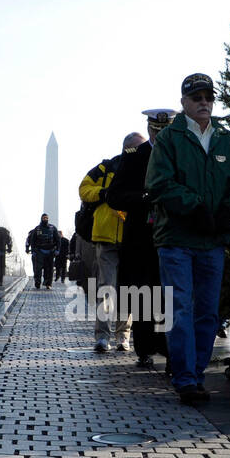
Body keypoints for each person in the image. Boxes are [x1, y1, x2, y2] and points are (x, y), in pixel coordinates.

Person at [145, 74, 230, 404]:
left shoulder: (227, 141)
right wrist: (195, 209)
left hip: (212, 241)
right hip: (176, 240)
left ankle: (197, 374)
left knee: (207, 312)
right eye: (197, 97)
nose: (204, 102)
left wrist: (225, 212)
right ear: (184, 103)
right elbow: (159, 184)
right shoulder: (169, 140)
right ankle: (186, 379)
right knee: (180, 309)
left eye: (208, 96)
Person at [108, 109, 176, 370]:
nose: (160, 135)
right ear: (149, 130)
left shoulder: (180, 153)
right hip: (140, 238)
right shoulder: (134, 157)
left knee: (168, 295)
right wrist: (144, 198)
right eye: (156, 131)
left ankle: (171, 350)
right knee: (142, 294)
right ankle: (145, 349)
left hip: (171, 234)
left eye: (165, 130)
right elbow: (114, 196)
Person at [81, 135, 143, 352]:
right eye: (135, 148)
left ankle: (123, 337)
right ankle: (102, 336)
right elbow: (84, 188)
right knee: (107, 288)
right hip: (106, 236)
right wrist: (104, 194)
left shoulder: (147, 167)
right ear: (126, 148)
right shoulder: (105, 167)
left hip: (133, 237)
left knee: (128, 289)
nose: (139, 151)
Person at [26, 213, 60, 289]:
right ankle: (37, 282)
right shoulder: (37, 229)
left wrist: (57, 249)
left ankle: (48, 283)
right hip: (39, 251)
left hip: (50, 252)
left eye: (46, 218)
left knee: (49, 269)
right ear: (41, 218)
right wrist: (33, 250)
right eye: (44, 218)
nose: (45, 219)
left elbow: (58, 240)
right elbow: (32, 240)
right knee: (38, 269)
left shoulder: (53, 228)